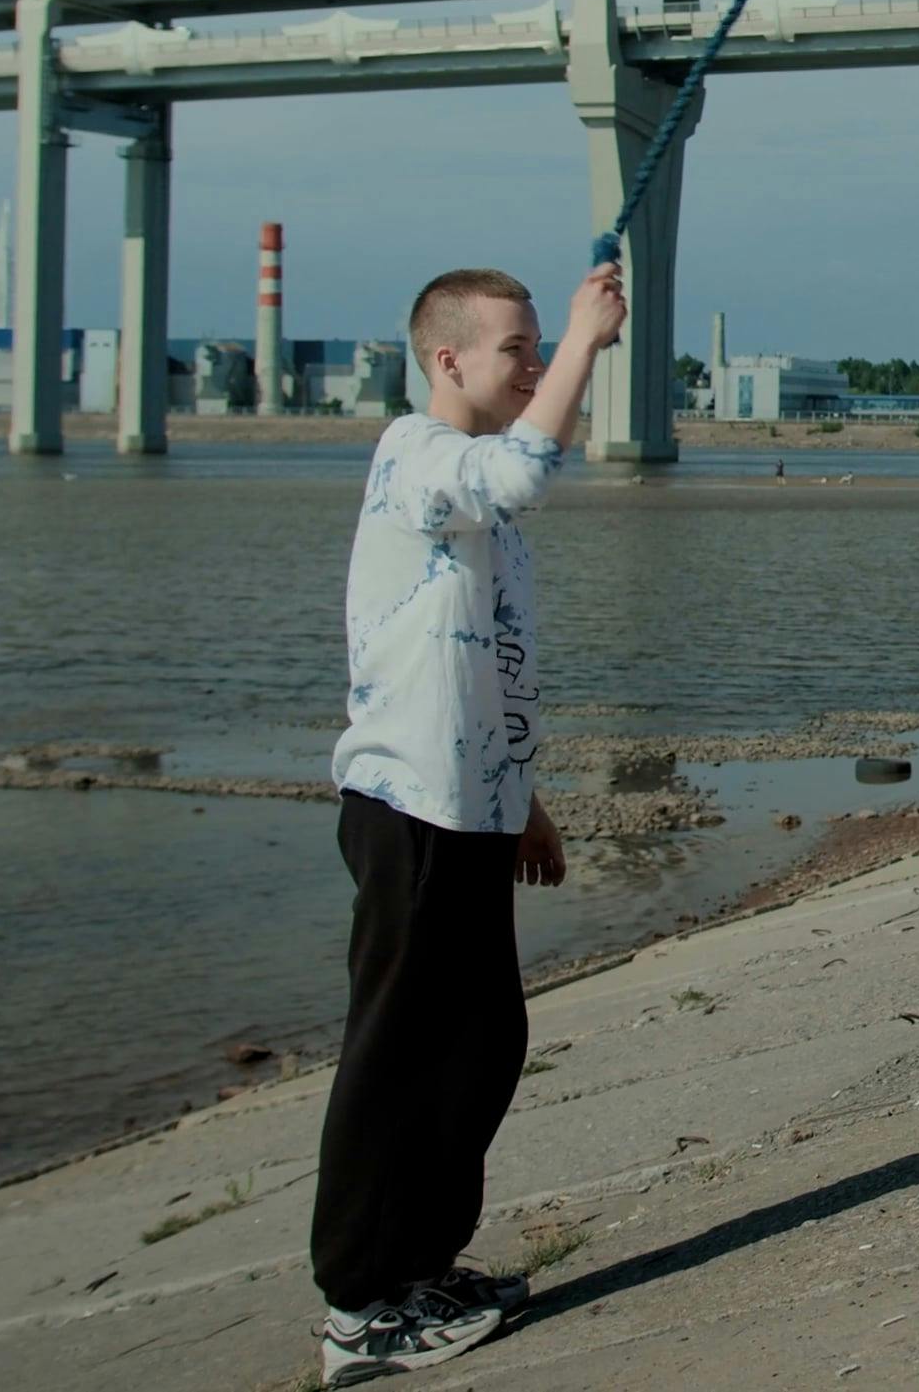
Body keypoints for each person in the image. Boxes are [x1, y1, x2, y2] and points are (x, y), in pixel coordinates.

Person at [310, 261, 625, 1383]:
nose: (535, 363)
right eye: (518, 349)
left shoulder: (467, 483)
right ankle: (358, 1308)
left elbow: (478, 660)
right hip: (407, 811)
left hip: (473, 807)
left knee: (481, 1046)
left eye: (542, 345)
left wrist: (523, 798)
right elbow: (522, 471)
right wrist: (591, 341)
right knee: (397, 1056)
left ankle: (417, 1266)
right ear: (447, 361)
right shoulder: (417, 456)